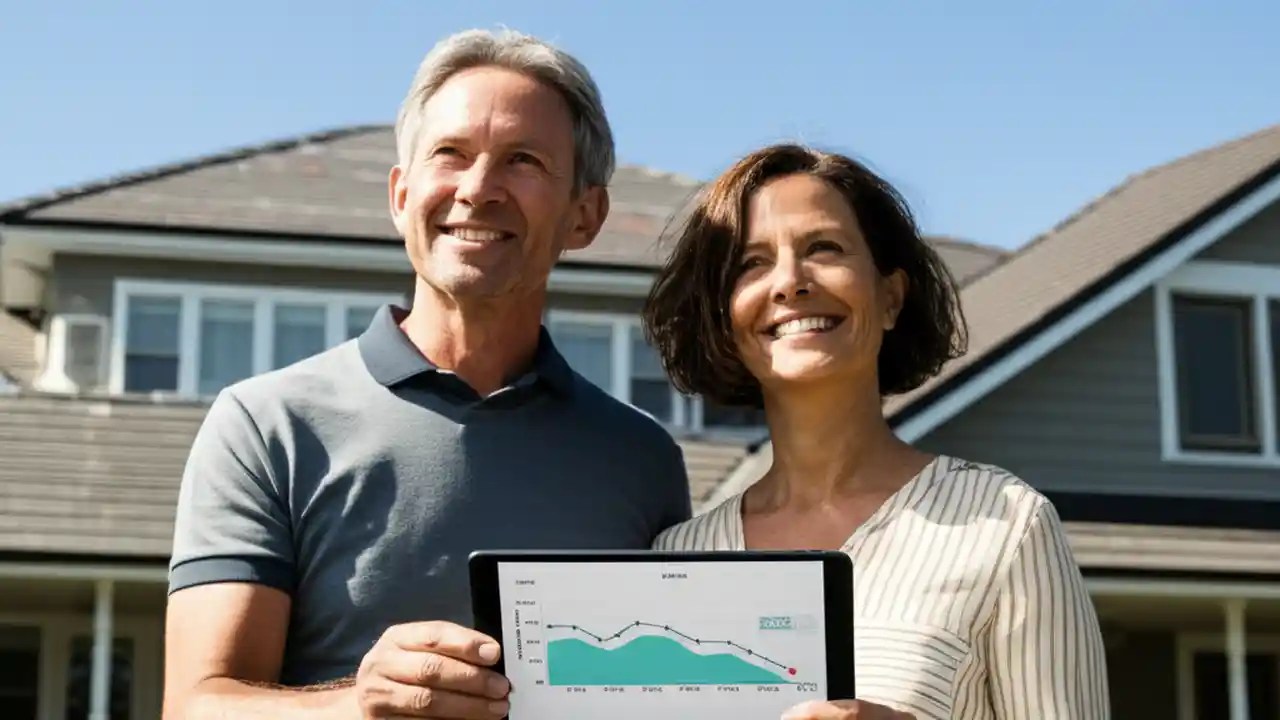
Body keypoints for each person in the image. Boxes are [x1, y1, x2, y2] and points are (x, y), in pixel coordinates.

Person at [162, 29, 692, 719]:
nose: (478, 189)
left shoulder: (642, 460)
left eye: (523, 160)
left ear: (584, 215)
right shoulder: (265, 426)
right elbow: (196, 705)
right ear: (401, 194)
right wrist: (362, 704)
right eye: (451, 154)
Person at [645, 144, 1110, 719]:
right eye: (751, 263)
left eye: (824, 248)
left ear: (890, 296)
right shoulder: (676, 560)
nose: (789, 282)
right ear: (725, 318)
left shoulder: (1008, 525)